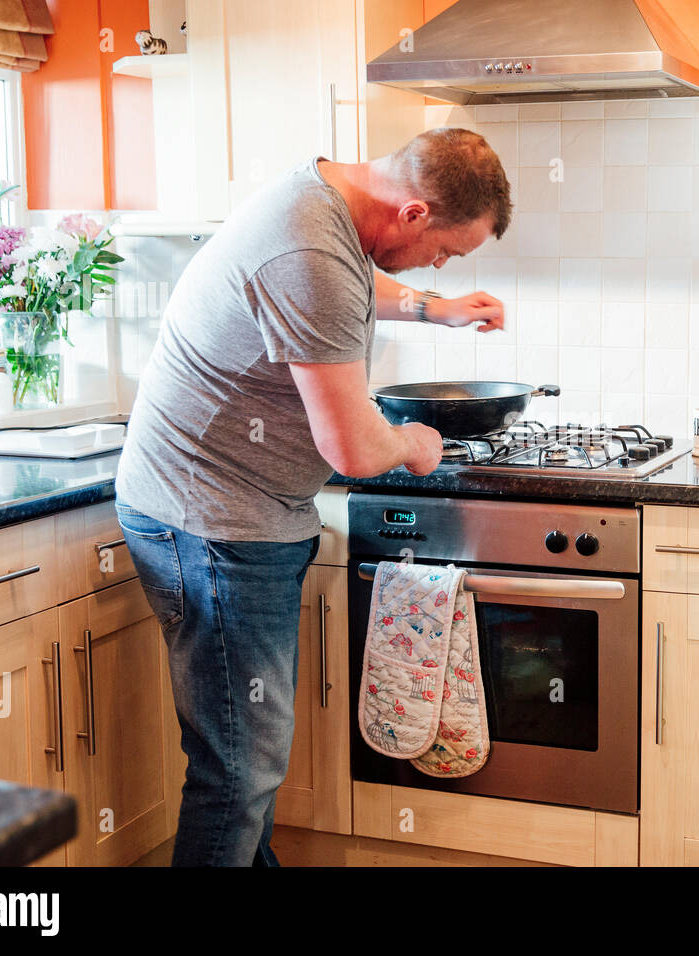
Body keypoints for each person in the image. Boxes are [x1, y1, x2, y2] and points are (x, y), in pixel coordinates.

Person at [113, 128, 512, 866]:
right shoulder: (308, 245)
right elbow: (356, 449)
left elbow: (354, 287)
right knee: (238, 767)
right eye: (446, 251)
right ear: (415, 212)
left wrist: (435, 308)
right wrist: (417, 444)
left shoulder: (325, 202)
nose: (438, 264)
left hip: (232, 513)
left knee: (246, 759)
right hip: (210, 523)